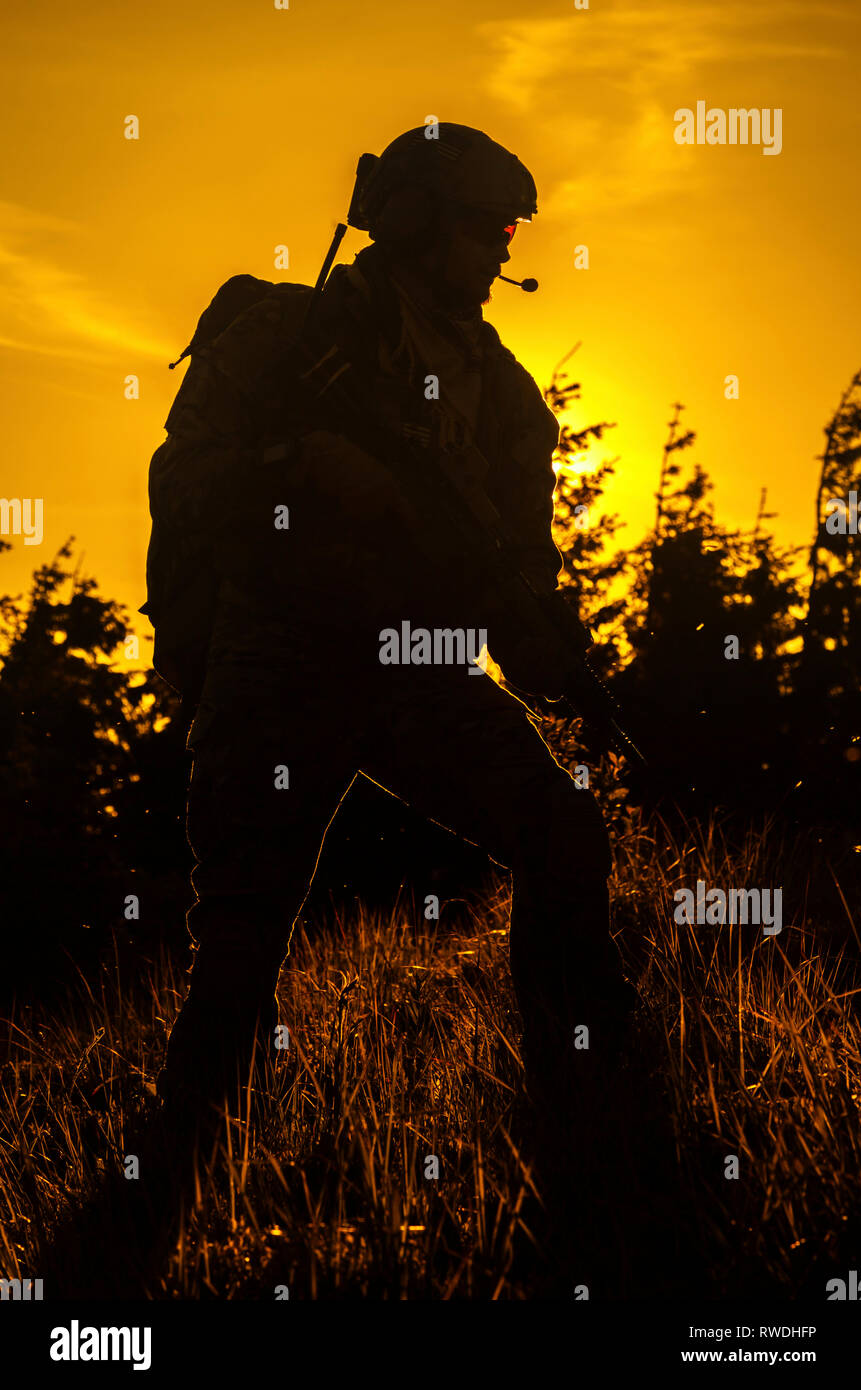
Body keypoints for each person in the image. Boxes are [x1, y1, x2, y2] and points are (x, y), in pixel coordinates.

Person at [145, 122, 636, 1140]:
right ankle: (183, 1174)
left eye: (510, 227)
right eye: (482, 223)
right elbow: (184, 477)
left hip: (417, 669)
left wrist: (548, 657)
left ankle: (586, 1108)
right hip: (277, 661)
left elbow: (518, 569)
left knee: (561, 836)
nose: (503, 247)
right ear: (413, 219)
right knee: (239, 939)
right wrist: (304, 467)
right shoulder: (288, 338)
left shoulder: (499, 395)